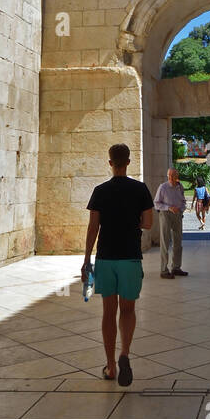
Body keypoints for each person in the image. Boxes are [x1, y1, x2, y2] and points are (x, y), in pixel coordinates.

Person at [82, 143, 154, 385]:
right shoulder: (140, 189)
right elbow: (148, 223)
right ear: (129, 162)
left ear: (110, 162)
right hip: (130, 256)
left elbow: (93, 228)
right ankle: (124, 353)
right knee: (128, 310)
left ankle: (111, 366)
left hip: (106, 256)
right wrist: (132, 222)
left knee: (108, 311)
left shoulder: (100, 191)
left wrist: (86, 261)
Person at [154, 167, 188, 278]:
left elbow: (183, 201)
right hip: (165, 214)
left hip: (177, 215)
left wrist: (181, 209)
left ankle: (176, 267)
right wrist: (169, 208)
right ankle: (163, 270)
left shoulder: (180, 186)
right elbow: (156, 203)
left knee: (178, 241)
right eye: (168, 175)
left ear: (176, 177)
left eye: (172, 176)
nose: (170, 178)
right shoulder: (163, 187)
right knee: (165, 241)